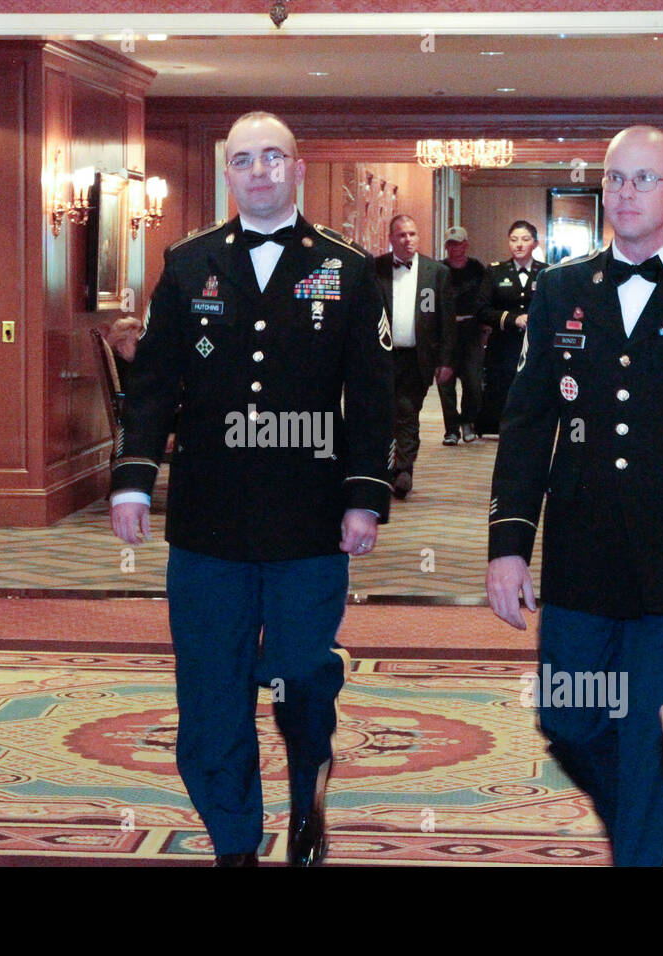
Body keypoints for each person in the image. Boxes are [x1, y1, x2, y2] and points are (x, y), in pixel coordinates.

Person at [484, 125, 663, 867]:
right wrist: (508, 546)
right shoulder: (560, 289)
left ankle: (643, 853)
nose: (626, 193)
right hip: (582, 549)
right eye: (616, 179)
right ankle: (653, 829)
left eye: (644, 179)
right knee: (571, 718)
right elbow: (526, 425)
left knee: (649, 730)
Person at [109, 111, 393, 867]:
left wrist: (365, 495)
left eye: (273, 158)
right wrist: (134, 479)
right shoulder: (188, 261)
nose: (259, 171)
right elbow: (153, 386)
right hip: (208, 520)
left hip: (310, 519)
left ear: (298, 169)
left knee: (302, 674)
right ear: (228, 173)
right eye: (244, 160)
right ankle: (234, 841)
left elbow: (372, 396)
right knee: (209, 694)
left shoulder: (347, 268)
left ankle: (309, 793)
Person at [373, 215, 455, 499]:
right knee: (384, 412)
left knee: (407, 411)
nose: (408, 240)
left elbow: (445, 320)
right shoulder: (375, 268)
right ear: (391, 238)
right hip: (382, 357)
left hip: (418, 358)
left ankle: (403, 470)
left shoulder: (436, 272)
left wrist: (445, 361)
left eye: (412, 234)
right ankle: (385, 467)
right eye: (401, 235)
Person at [476, 220, 545, 436]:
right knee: (501, 387)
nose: (519, 245)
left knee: (532, 388)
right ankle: (497, 428)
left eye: (525, 239)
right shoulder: (495, 271)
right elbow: (482, 310)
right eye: (514, 240)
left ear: (535, 243)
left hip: (535, 345)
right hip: (503, 343)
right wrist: (513, 319)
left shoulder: (546, 273)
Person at [438, 226, 487, 445]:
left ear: (466, 244)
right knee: (445, 382)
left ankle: (468, 421)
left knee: (473, 382)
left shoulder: (477, 268)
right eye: (450, 243)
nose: (454, 247)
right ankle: (451, 429)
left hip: (471, 330)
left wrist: (486, 329)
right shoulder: (438, 269)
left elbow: (486, 299)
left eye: (458, 243)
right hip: (445, 331)